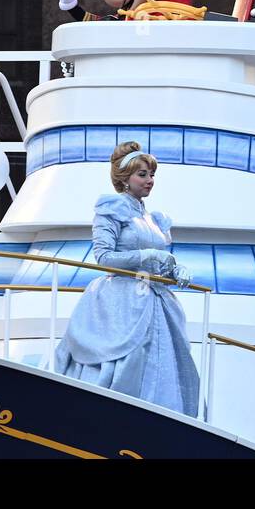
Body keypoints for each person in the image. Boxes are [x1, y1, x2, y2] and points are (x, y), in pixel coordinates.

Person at [53, 141, 200, 416]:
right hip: (120, 301)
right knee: (126, 362)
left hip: (155, 299)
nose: (150, 180)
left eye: (151, 174)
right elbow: (104, 257)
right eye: (142, 174)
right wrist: (149, 255)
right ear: (124, 179)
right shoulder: (111, 209)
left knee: (164, 365)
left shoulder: (154, 218)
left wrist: (173, 269)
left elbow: (158, 258)